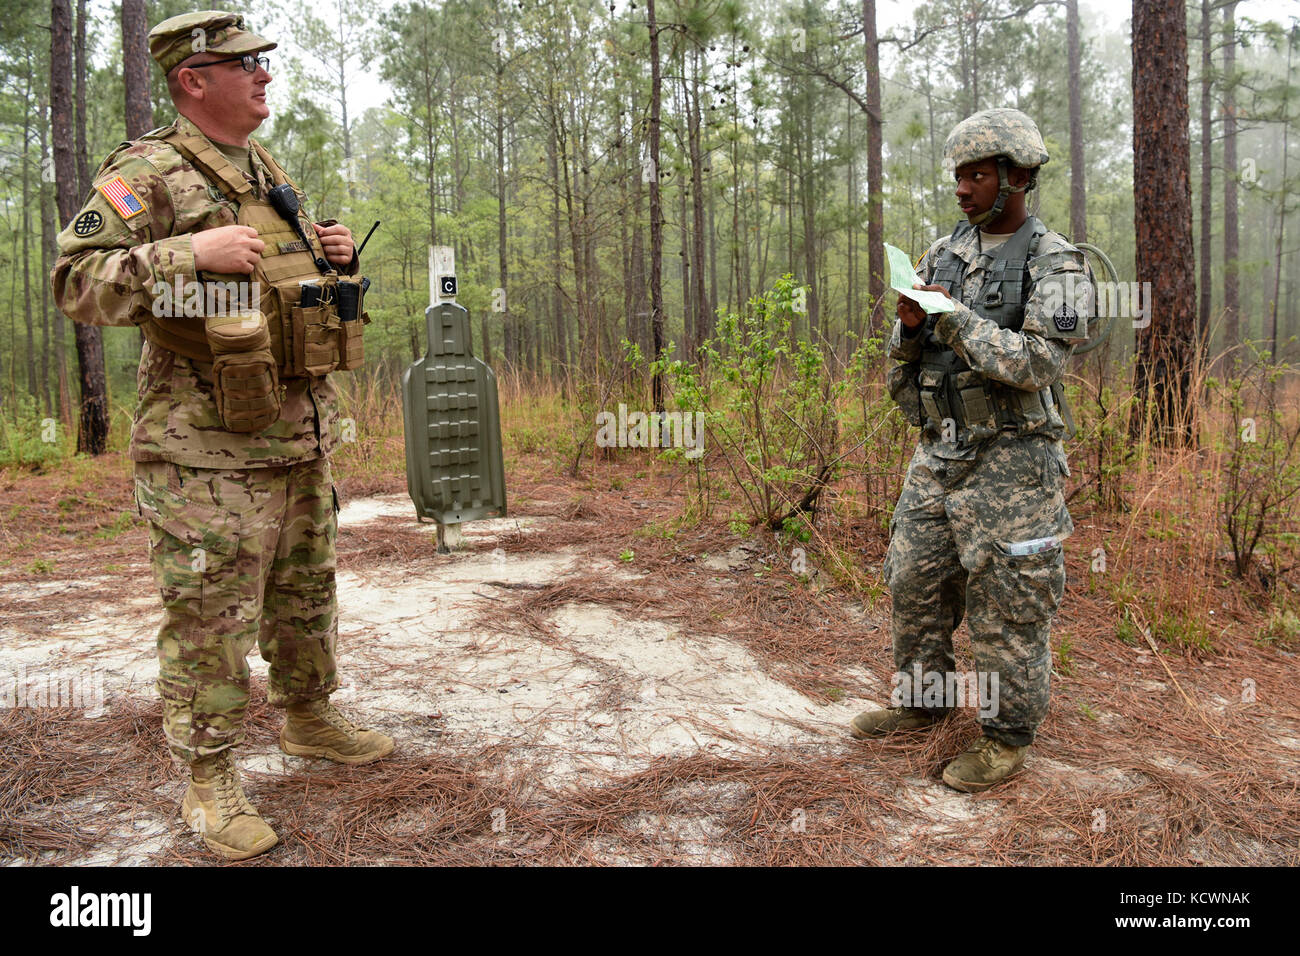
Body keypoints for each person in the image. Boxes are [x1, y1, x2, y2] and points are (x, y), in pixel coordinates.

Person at [51, 10, 391, 860]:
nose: (264, 76)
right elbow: (76, 283)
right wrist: (185, 255)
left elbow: (279, 286)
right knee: (210, 618)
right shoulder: (148, 171)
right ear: (192, 80)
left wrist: (330, 256)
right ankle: (208, 782)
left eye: (264, 63)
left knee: (305, 595)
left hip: (294, 431)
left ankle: (308, 719)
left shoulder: (265, 168)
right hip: (203, 450)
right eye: (244, 65)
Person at [850, 108, 1091, 792]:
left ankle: (1006, 738)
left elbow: (1039, 363)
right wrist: (907, 326)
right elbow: (909, 349)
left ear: (1016, 178)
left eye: (976, 175)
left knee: (1007, 604)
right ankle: (921, 705)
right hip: (940, 452)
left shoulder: (1058, 264)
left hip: (1013, 466)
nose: (961, 189)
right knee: (913, 580)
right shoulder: (942, 252)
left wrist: (956, 324)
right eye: (957, 176)